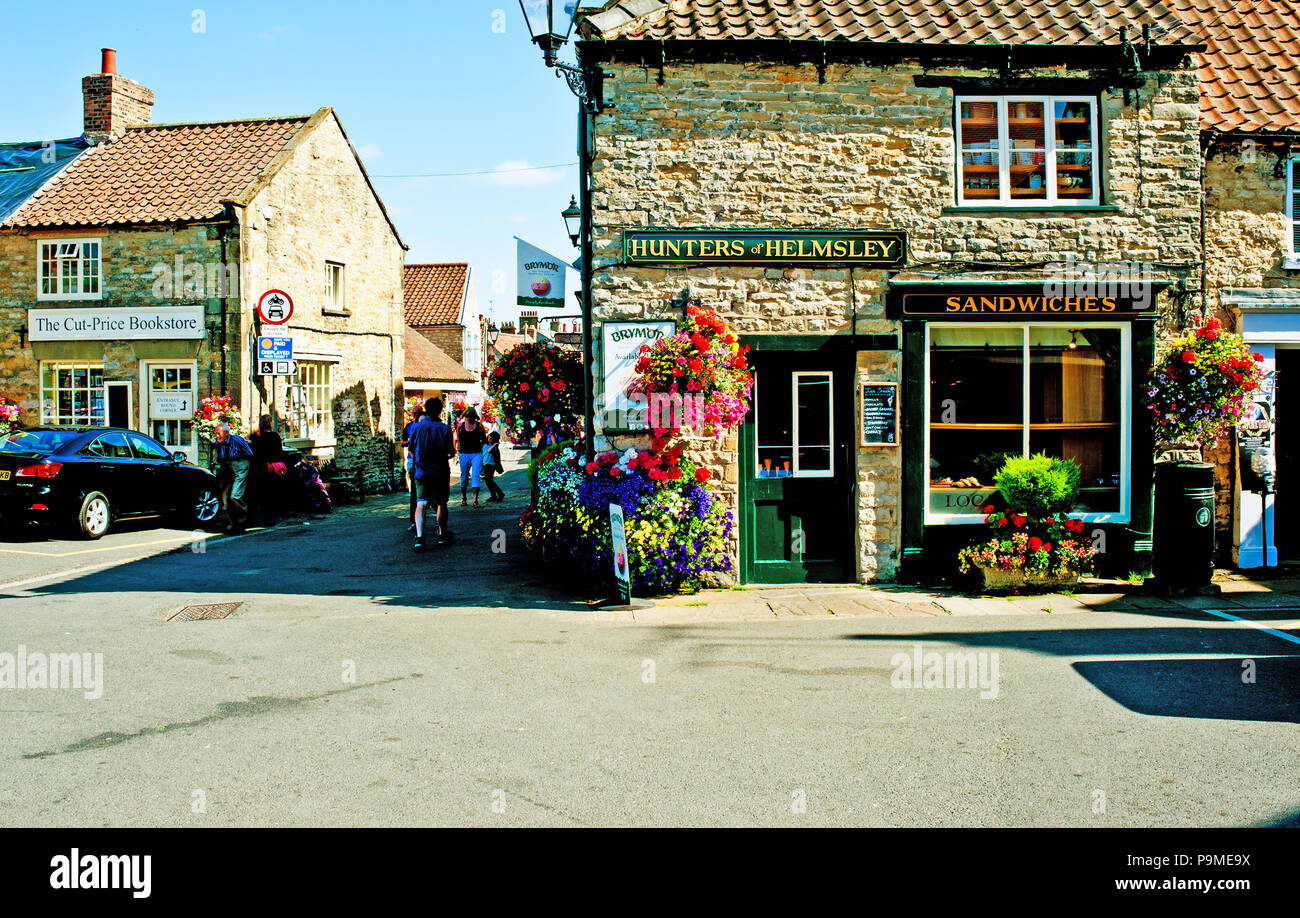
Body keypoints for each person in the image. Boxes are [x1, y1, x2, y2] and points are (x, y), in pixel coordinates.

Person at [408, 396, 455, 551]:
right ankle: (442, 534)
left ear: (426, 410)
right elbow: (450, 452)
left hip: (421, 471)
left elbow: (411, 451)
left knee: (420, 503)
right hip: (440, 471)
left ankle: (420, 538)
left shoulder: (416, 427)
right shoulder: (445, 429)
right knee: (441, 503)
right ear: (440, 411)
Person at [213, 422, 253, 533]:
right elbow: (220, 456)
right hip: (227, 468)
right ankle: (234, 524)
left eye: (219, 433)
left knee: (235, 496)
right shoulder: (218, 442)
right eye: (216, 433)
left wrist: (241, 465)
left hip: (240, 466)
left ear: (226, 433)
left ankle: (242, 522)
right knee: (226, 500)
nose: (217, 436)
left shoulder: (237, 440)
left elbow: (249, 454)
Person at [249, 414, 285, 524]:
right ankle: (268, 518)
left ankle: (251, 517)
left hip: (258, 467)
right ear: (270, 423)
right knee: (270, 493)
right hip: (271, 468)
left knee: (257, 493)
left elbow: (252, 452)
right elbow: (279, 452)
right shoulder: (275, 436)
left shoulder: (255, 436)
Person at [455, 406, 487, 508]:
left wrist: (481, 450)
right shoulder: (461, 426)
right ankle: (463, 497)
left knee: (475, 475)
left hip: (476, 453)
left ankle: (475, 500)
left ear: (475, 416)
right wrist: (456, 449)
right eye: (467, 416)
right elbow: (457, 438)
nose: (469, 418)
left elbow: (484, 440)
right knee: (464, 476)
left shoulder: (479, 426)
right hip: (463, 453)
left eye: (471, 416)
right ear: (465, 416)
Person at [401, 403, 425, 532]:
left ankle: (438, 518)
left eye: (417, 414)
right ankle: (414, 521)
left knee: (426, 494)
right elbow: (403, 442)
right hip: (412, 461)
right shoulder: (409, 427)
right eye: (414, 414)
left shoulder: (424, 426)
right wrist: (410, 443)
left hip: (424, 461)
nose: (415, 416)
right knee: (415, 493)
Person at [482, 430, 505, 503]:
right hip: (485, 465)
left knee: (489, 481)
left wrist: (495, 445)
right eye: (488, 438)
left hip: (491, 466)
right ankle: (497, 494)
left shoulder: (494, 448)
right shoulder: (485, 446)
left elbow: (490, 452)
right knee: (489, 481)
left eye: (491, 438)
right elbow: (485, 452)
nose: (489, 440)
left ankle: (497, 494)